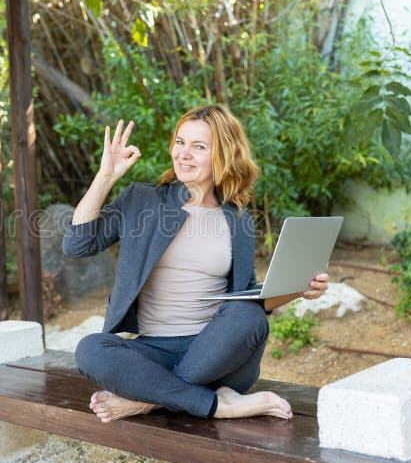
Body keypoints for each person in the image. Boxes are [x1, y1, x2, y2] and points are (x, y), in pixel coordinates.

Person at [62, 105, 329, 423]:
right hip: (152, 351)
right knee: (91, 350)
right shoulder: (143, 201)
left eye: (198, 147)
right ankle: (219, 404)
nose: (183, 154)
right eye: (180, 142)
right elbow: (77, 244)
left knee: (249, 316)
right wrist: (105, 177)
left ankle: (148, 401)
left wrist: (299, 288)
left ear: (224, 155)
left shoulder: (238, 218)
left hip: (214, 353)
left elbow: (245, 298)